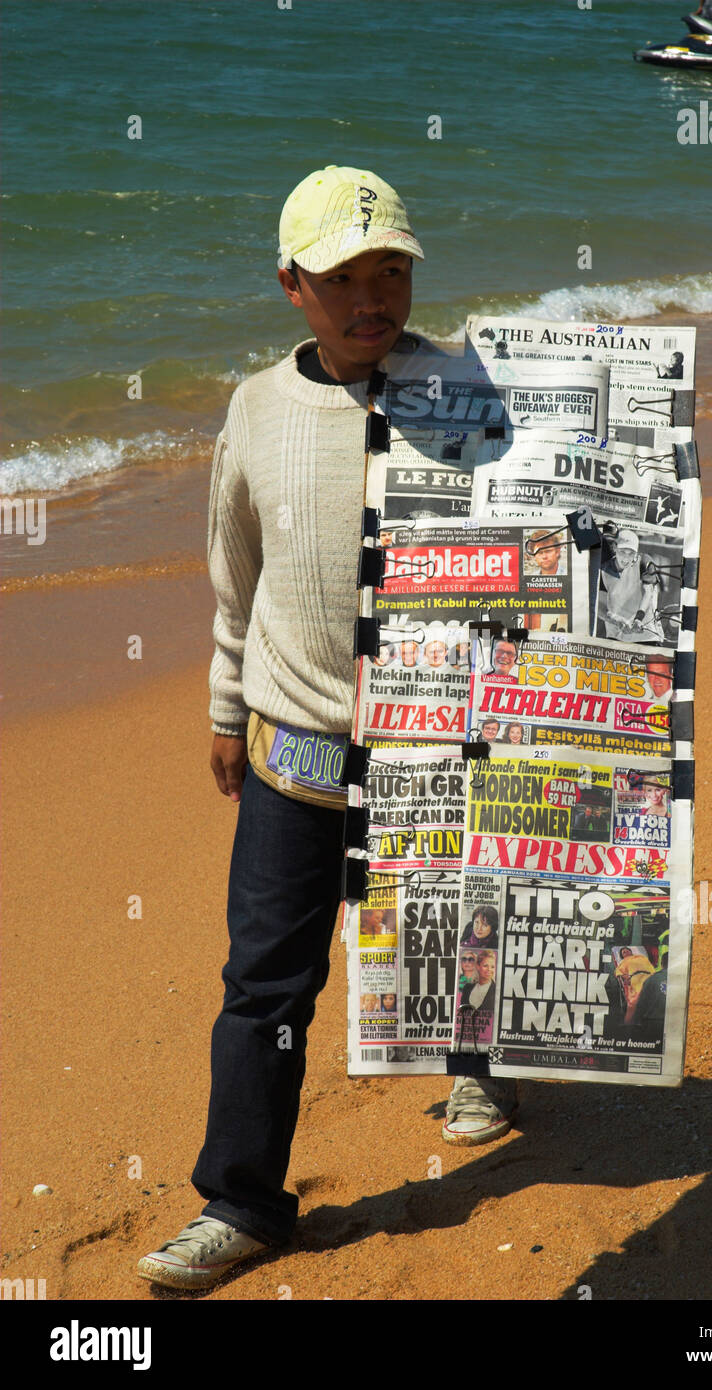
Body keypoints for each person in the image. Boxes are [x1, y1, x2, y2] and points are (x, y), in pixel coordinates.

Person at [137, 165, 516, 1291]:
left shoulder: (466, 382)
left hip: (434, 737)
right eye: (344, 276)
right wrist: (220, 705)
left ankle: (477, 1066)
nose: (373, 295)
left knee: (454, 913)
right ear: (291, 286)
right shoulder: (257, 406)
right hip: (292, 735)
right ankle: (243, 1200)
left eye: (391, 270)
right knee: (265, 976)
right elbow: (233, 571)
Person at [598, 529, 662, 642]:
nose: (626, 558)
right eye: (622, 552)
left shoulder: (645, 562)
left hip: (647, 637)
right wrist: (616, 620)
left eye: (631, 553)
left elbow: (648, 593)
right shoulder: (603, 570)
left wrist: (638, 619)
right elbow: (600, 606)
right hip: (615, 637)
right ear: (614, 548)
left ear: (636, 553)